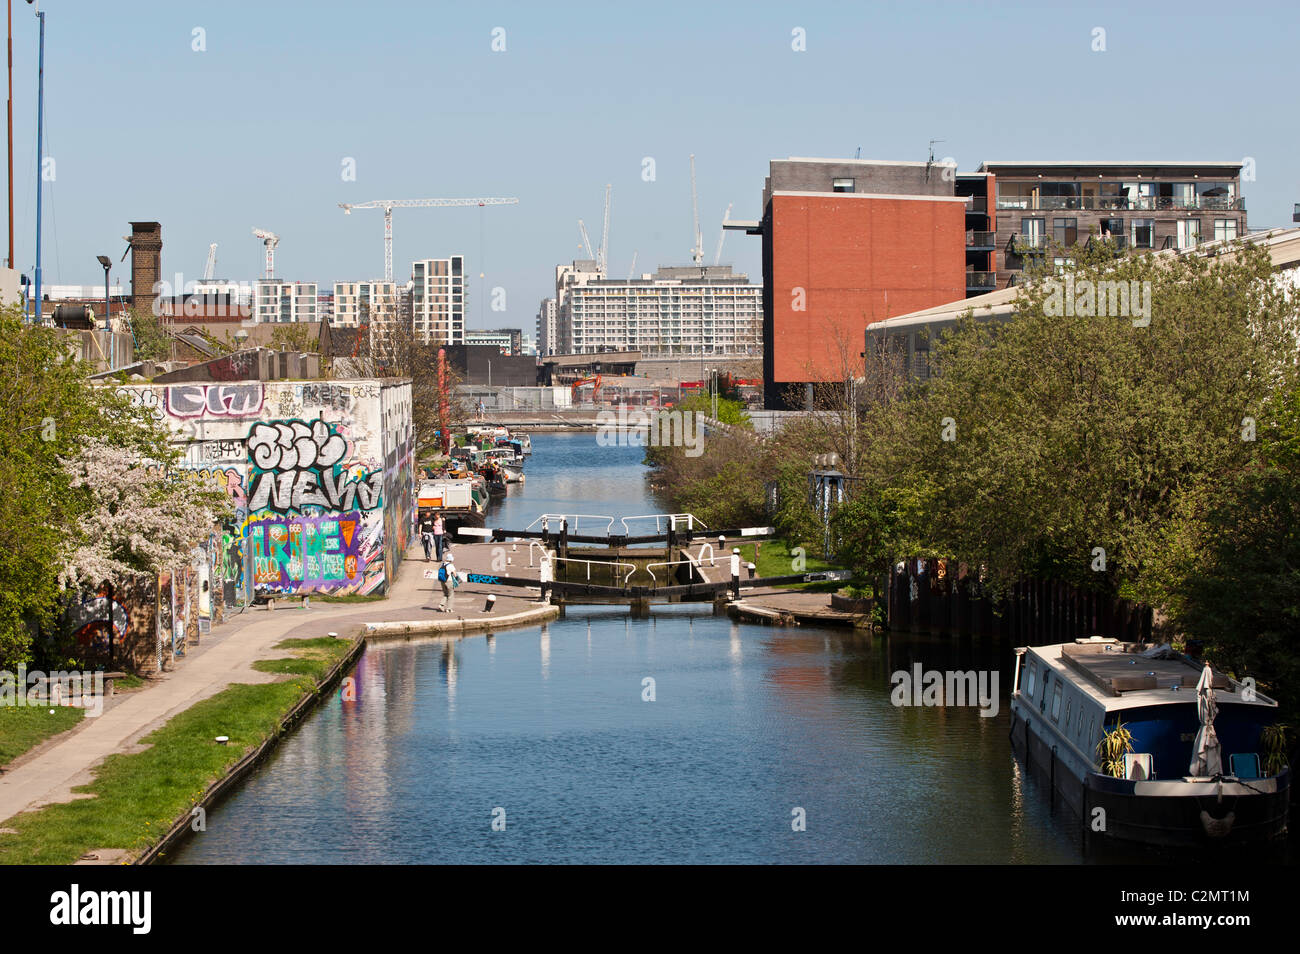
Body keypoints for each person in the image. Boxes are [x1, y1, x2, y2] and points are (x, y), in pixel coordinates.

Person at [438, 549, 459, 613]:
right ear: (451, 559)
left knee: (445, 594)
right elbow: (455, 574)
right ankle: (449, 609)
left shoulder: (442, 564)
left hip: (442, 581)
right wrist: (458, 580)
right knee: (451, 595)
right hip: (449, 582)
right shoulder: (451, 565)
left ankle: (441, 604)